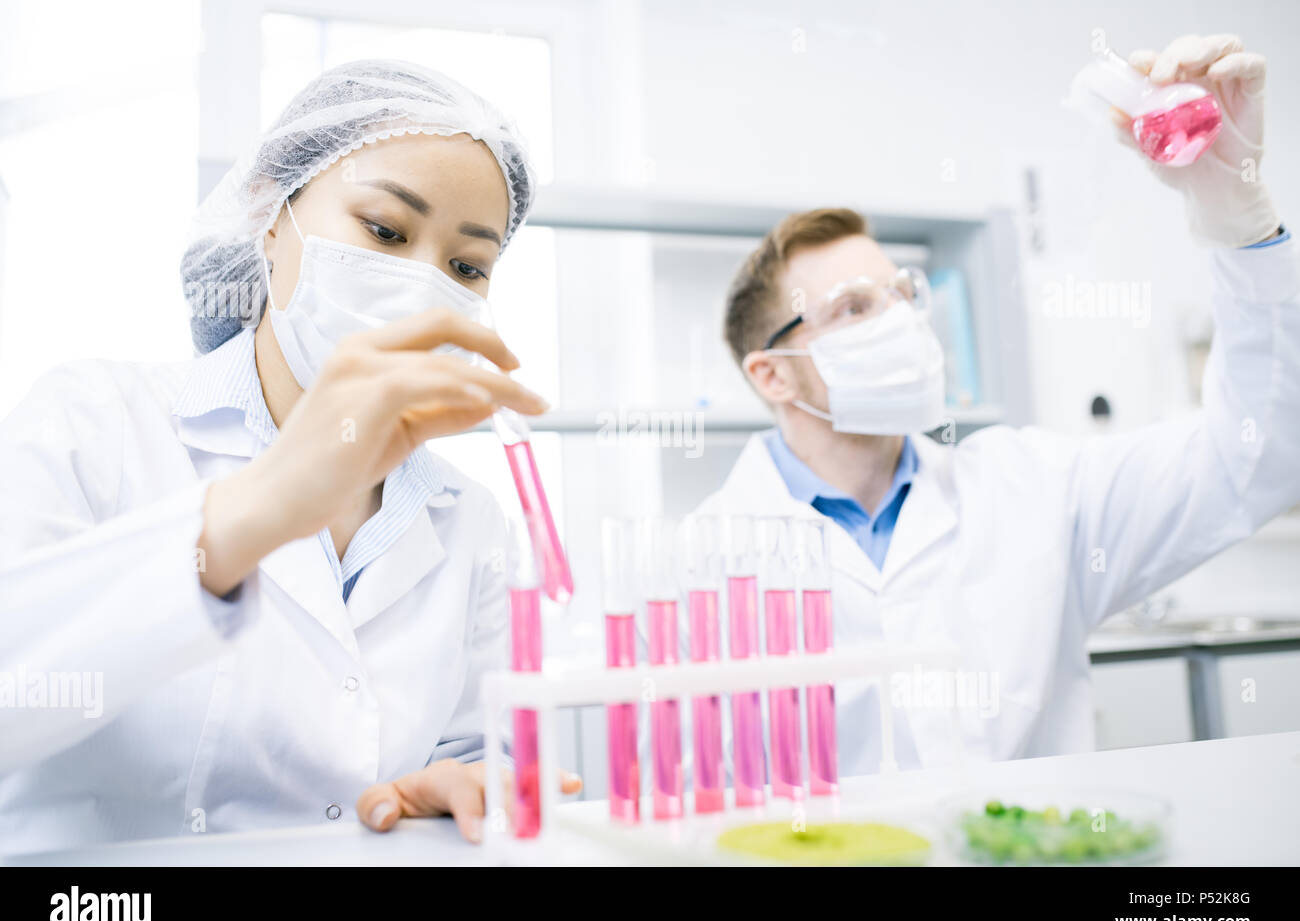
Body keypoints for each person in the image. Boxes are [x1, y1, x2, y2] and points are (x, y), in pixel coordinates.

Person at [0, 60, 578, 857]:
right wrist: (258, 506)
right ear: (271, 213)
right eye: (384, 230)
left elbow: (471, 752)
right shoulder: (94, 421)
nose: (420, 286)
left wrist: (457, 788)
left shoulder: (466, 518)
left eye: (466, 266)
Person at [696, 34, 1300, 775]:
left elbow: (1262, 451)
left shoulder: (1034, 490)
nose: (900, 320)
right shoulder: (705, 560)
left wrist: (1242, 223)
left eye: (903, 294)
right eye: (855, 308)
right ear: (772, 376)